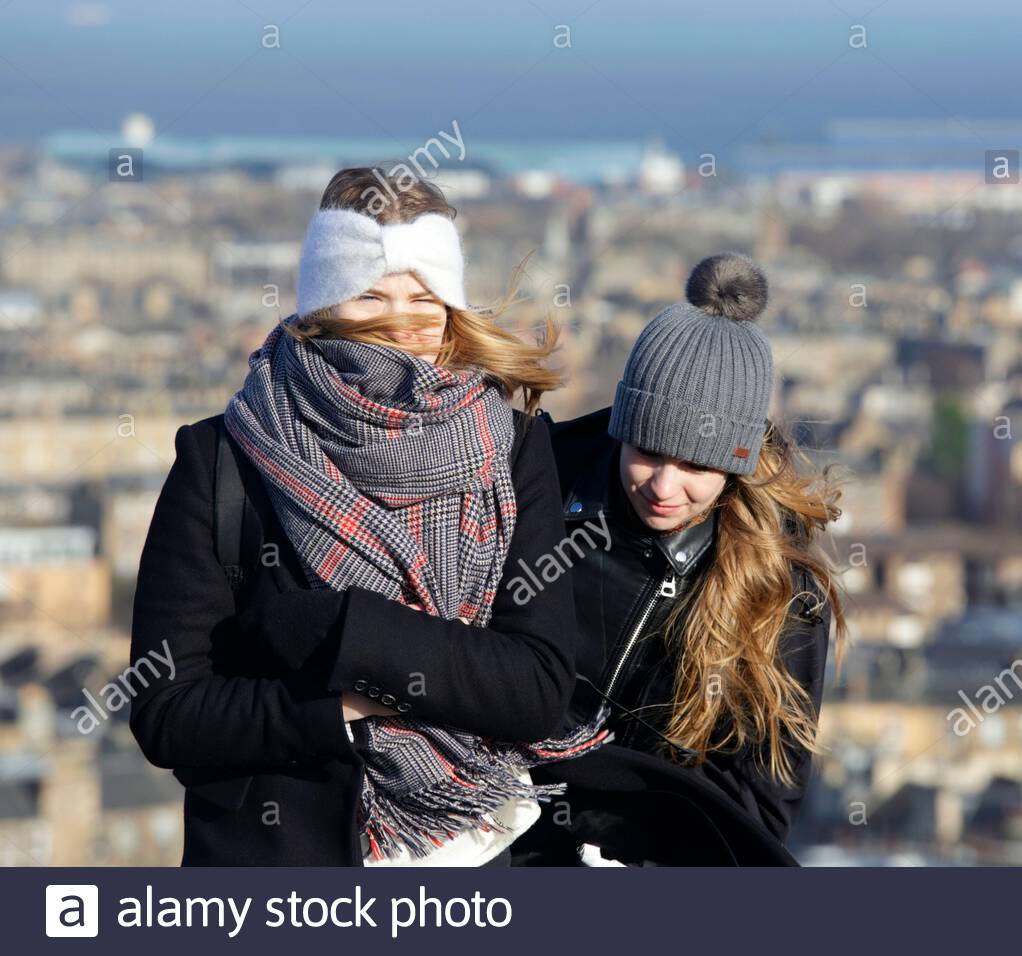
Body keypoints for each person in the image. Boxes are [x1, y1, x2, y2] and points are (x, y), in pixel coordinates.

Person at [128, 167, 607, 867]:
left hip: (464, 862)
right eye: (371, 295)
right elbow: (164, 711)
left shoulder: (513, 446)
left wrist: (348, 634)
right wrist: (334, 710)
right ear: (320, 307)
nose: (402, 322)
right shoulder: (224, 455)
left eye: (424, 297)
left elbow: (534, 687)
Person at [514, 252, 845, 865]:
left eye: (696, 464)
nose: (664, 487)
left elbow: (755, 809)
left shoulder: (782, 594)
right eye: (647, 450)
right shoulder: (533, 490)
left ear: (737, 463)